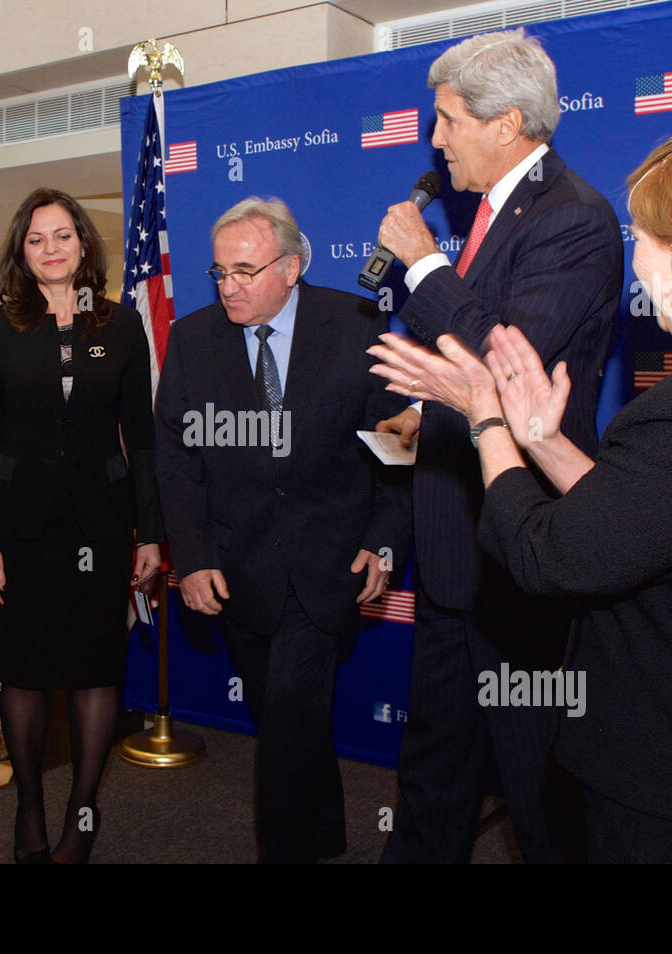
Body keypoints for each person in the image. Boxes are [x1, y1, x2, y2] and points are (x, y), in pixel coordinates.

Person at [368, 107, 672, 863]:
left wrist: (485, 417)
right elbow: (641, 518)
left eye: (645, 239)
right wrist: (543, 438)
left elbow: (549, 556)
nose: (639, 266)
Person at [373, 28, 623, 863]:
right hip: (454, 552)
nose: (435, 139)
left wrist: (422, 268)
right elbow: (471, 369)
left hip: (523, 557)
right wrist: (427, 411)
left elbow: (508, 365)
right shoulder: (491, 213)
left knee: (537, 784)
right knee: (433, 771)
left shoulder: (574, 218)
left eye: (448, 120)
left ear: (507, 122)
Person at [155, 198, 411, 863]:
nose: (228, 286)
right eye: (220, 272)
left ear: (291, 267)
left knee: (290, 712)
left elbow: (396, 446)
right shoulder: (192, 339)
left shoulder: (356, 324)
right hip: (237, 567)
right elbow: (177, 461)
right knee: (286, 716)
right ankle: (324, 834)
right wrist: (193, 556)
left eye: (245, 271)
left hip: (328, 561)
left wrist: (383, 541)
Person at [0, 187, 162, 864]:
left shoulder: (121, 324)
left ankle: (83, 809)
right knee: (21, 672)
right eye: (36, 238)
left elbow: (142, 439)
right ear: (21, 251)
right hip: (17, 533)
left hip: (100, 527)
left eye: (63, 235)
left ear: (83, 243)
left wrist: (150, 531)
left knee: (94, 669)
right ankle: (28, 803)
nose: (51, 249)